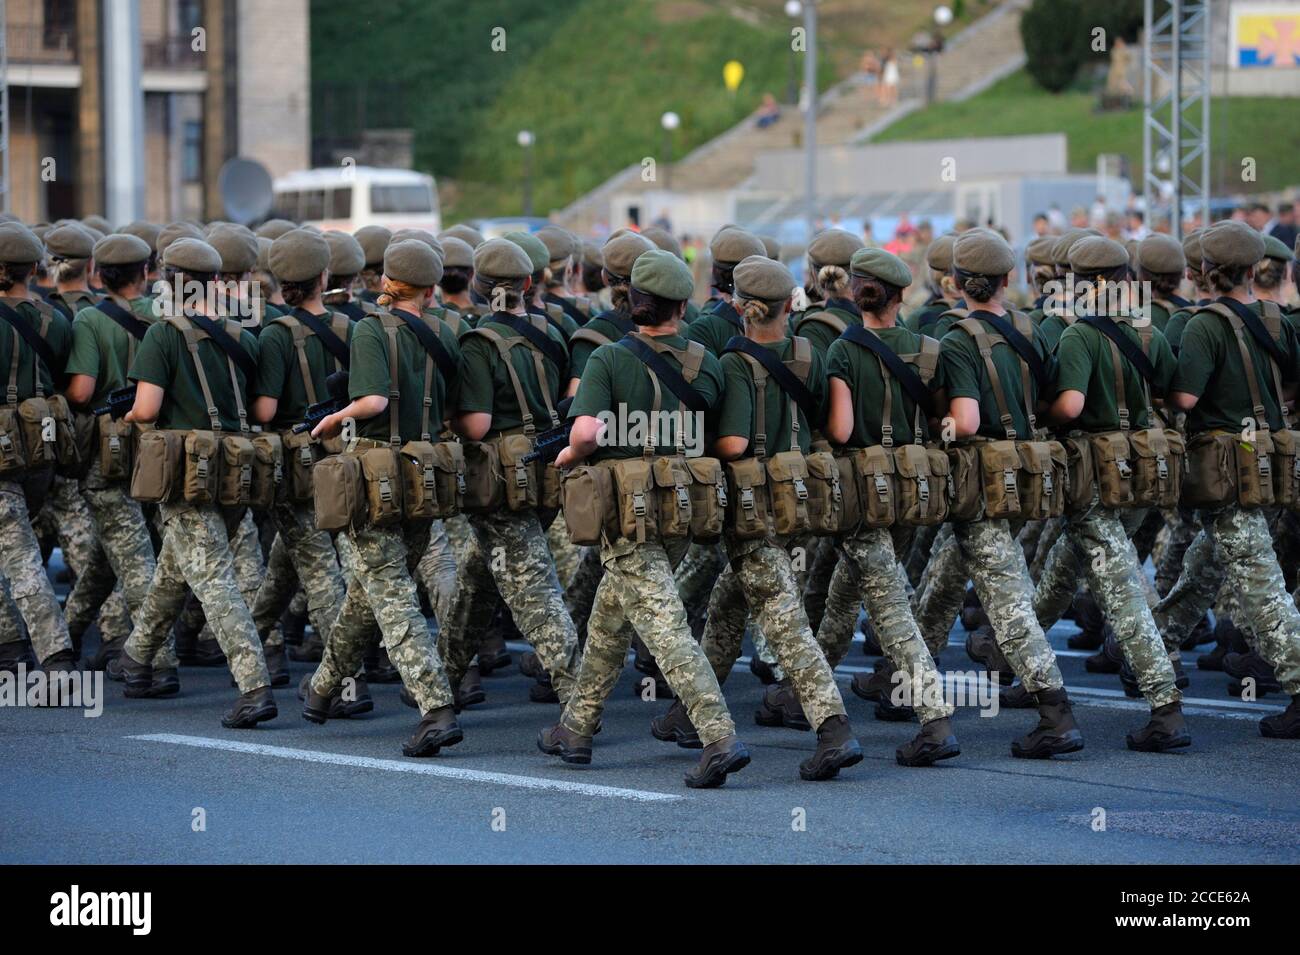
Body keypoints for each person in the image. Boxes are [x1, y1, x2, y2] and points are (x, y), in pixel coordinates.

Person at [540, 249, 750, 787]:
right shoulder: (709, 361)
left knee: (665, 626)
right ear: (682, 305)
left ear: (634, 302)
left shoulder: (610, 359)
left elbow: (586, 434)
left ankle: (718, 734)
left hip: (627, 511)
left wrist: (566, 457)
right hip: (685, 507)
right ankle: (577, 727)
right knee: (610, 618)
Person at [663, 253, 863, 780]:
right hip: (799, 496)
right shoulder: (807, 350)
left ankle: (834, 727)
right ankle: (687, 713)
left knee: (787, 625)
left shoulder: (731, 362)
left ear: (739, 306)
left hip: (753, 507)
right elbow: (823, 417)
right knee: (729, 604)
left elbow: (730, 442)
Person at [1028, 237, 1190, 751]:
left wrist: (1044, 417)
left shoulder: (1078, 335)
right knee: (1061, 568)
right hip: (1142, 474)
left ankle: (1165, 706)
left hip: (1095, 477)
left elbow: (1072, 406)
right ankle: (1014, 661)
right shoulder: (1148, 331)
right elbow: (1170, 391)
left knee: (1121, 589)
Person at [304, 239, 464, 754]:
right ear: (432, 285)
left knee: (390, 594)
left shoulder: (372, 328)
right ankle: (323, 688)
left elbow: (372, 399)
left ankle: (435, 707)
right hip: (429, 469)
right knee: (369, 591)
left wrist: (333, 418)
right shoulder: (447, 330)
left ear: (386, 280)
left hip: (378, 476)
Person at [934, 229, 1085, 758]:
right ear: (1008, 279)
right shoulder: (1029, 327)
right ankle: (904, 680)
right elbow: (1054, 400)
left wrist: (941, 431)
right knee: (943, 580)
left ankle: (1055, 710)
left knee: (1009, 601)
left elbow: (966, 421)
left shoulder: (955, 338)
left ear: (956, 282)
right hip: (1026, 473)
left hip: (980, 480)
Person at [115, 237, 277, 727]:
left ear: (170, 280)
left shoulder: (164, 334)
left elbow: (146, 408)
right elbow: (258, 410)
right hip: (235, 469)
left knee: (213, 579)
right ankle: (139, 659)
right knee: (176, 569)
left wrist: (126, 419)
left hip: (185, 474)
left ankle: (254, 686)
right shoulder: (244, 335)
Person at [1159, 221, 1300, 738]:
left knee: (1262, 588)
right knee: (1204, 566)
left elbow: (1185, 400)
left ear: (1204, 271)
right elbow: (1289, 385)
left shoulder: (1204, 325)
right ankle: (1151, 643)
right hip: (1267, 459)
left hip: (1226, 467)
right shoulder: (1277, 320)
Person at [438, 239, 583, 708]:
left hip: (499, 480)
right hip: (544, 472)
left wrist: (448, 420)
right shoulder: (550, 332)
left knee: (534, 592)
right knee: (479, 579)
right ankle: (447, 675)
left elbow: (477, 424)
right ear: (526, 285)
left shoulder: (478, 342)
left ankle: (579, 701)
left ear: (480, 288)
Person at [245, 229, 351, 694]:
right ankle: (258, 635)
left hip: (298, 462)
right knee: (287, 564)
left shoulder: (276, 334)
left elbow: (265, 411)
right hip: (347, 458)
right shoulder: (353, 325)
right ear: (323, 276)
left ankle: (348, 680)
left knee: (317, 568)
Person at [62, 233, 171, 681]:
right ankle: (66, 633)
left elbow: (83, 391)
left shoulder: (90, 318)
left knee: (131, 555)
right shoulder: (164, 315)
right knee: (114, 553)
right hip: (160, 446)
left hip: (109, 451)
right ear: (146, 273)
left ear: (98, 274)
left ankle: (157, 662)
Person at [0, 222, 80, 674]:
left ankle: (56, 656)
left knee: (22, 558)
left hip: (4, 453)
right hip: (44, 448)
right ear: (33, 268)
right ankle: (9, 646)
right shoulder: (56, 317)